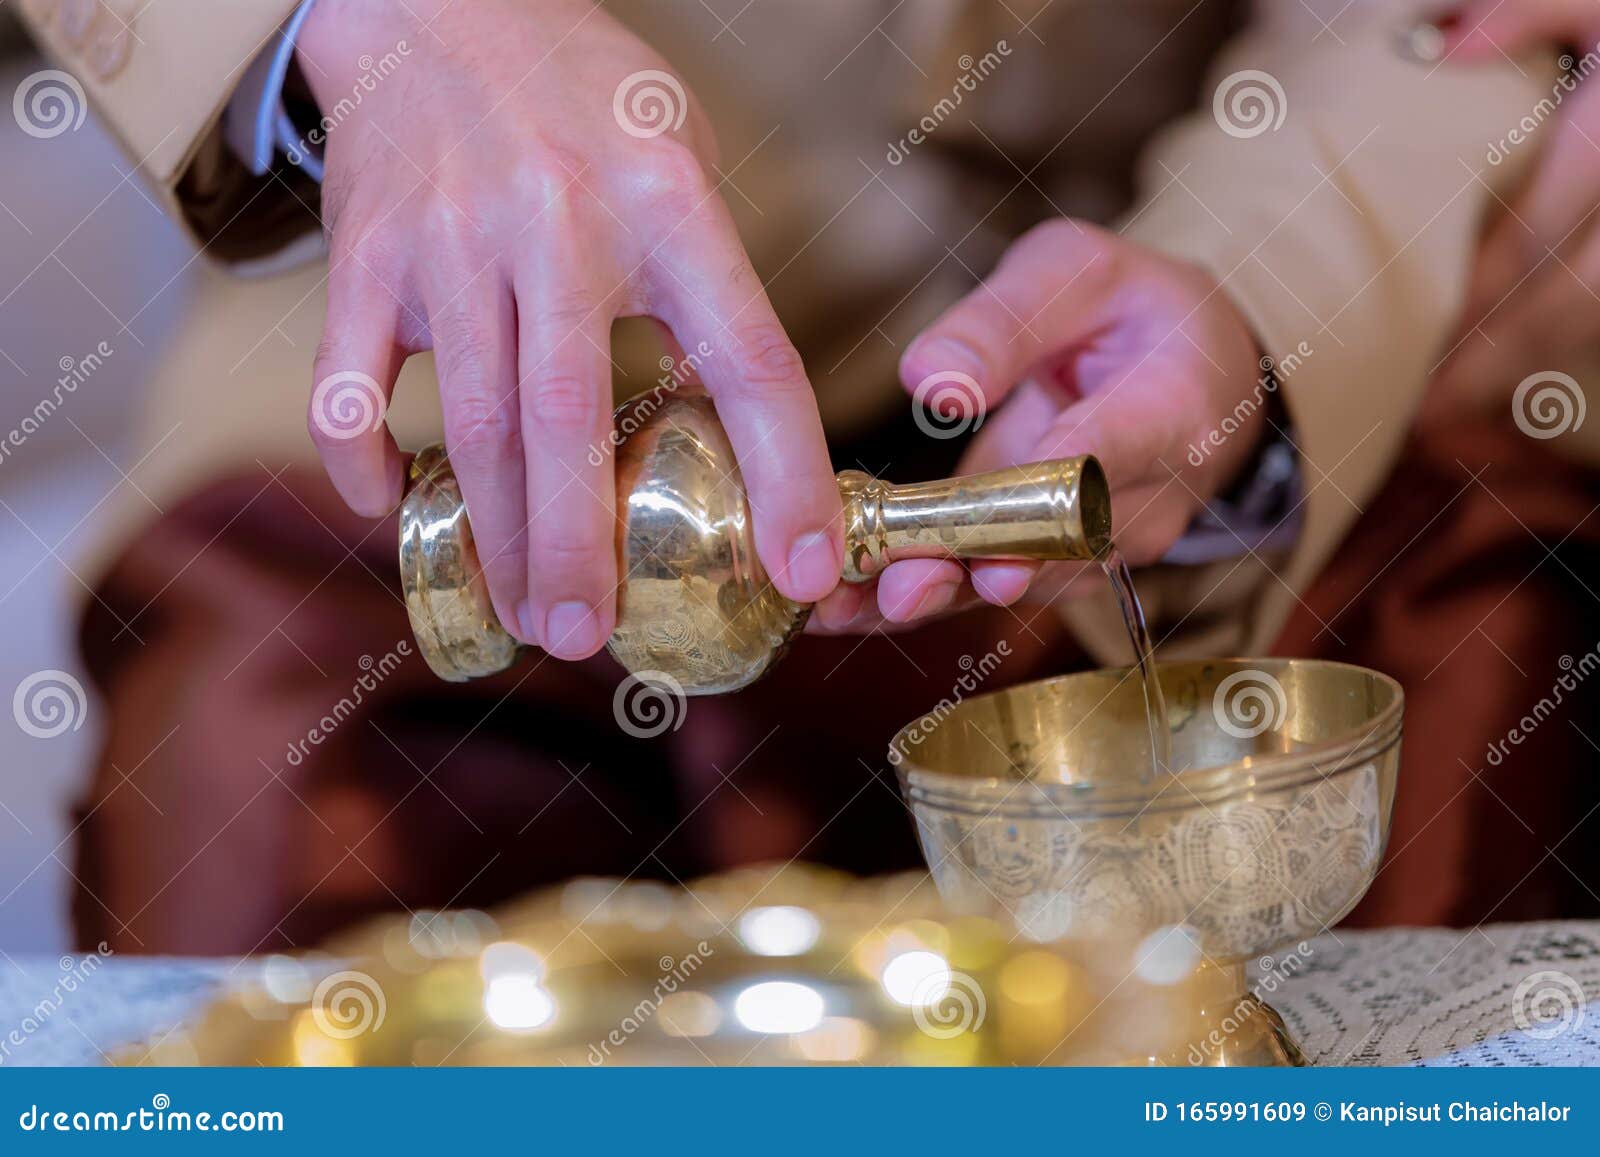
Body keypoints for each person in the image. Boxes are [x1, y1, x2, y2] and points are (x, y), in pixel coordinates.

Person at [13, 1, 1597, 952]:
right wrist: (384, 30)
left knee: (1473, 663)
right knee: (288, 840)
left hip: (1176, 345)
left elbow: (1426, 25)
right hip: (436, 412)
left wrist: (1257, 307)